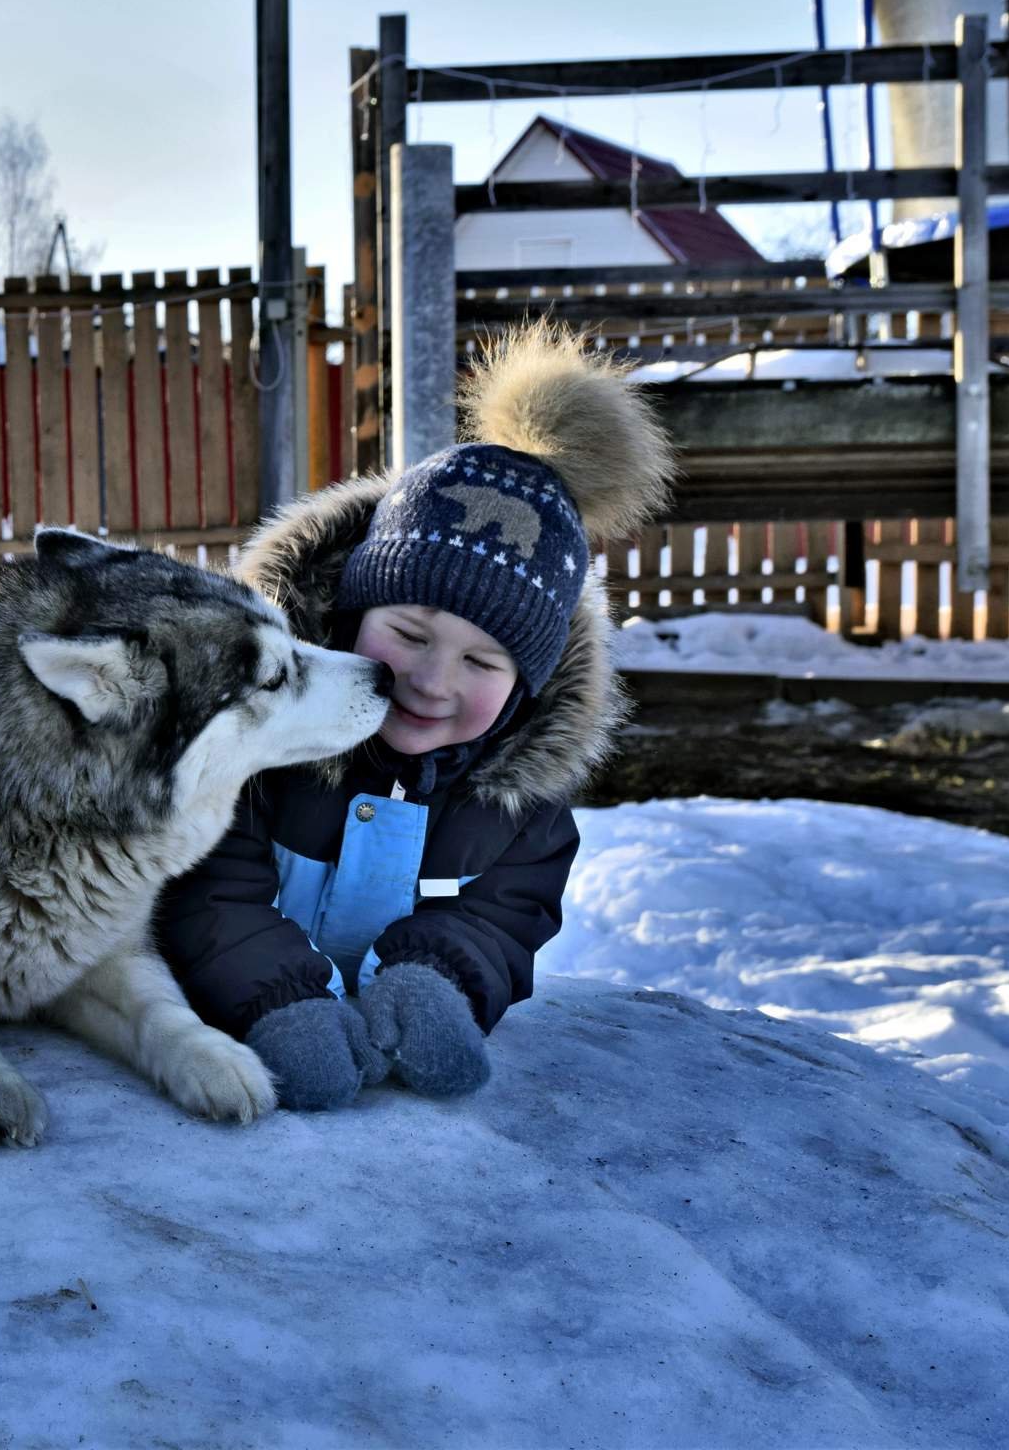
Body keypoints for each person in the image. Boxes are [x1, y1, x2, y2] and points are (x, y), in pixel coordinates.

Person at [154, 326, 675, 1109]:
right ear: (346, 614)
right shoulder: (262, 741)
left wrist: (440, 982)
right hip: (229, 1027)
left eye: (482, 663)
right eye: (407, 634)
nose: (432, 680)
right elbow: (207, 891)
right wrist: (278, 1000)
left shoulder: (520, 814)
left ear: (528, 686)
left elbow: (503, 922)